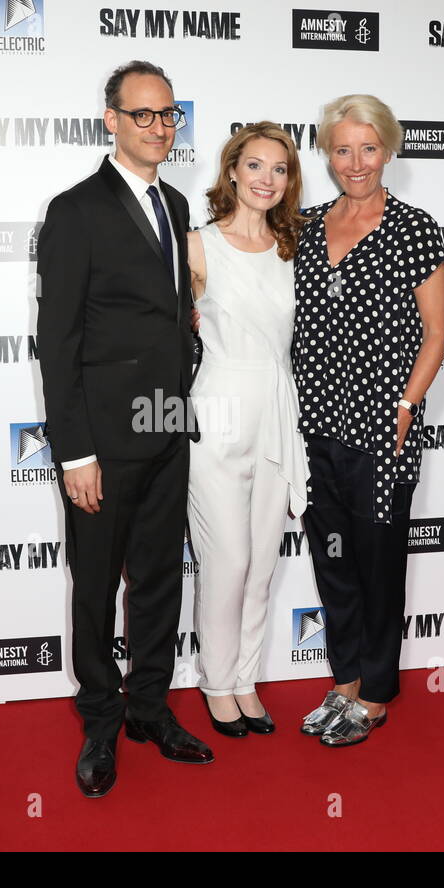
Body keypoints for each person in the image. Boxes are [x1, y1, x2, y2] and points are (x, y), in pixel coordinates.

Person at [36, 60, 214, 798]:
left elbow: (174, 315)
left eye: (168, 114)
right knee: (96, 588)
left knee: (160, 581)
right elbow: (59, 339)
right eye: (143, 114)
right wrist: (74, 449)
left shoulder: (176, 204)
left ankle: (150, 708)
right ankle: (100, 724)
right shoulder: (75, 210)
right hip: (101, 444)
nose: (159, 126)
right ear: (110, 119)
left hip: (168, 427)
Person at [292, 94, 444, 747]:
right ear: (326, 153)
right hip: (310, 425)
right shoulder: (300, 225)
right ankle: (346, 678)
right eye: (341, 148)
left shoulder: (415, 228)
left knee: (378, 562)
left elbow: (437, 333)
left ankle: (376, 691)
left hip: (383, 430)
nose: (355, 162)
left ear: (388, 150)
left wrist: (408, 406)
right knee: (333, 561)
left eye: (367, 147)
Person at [184, 123, 310, 738]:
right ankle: (216, 682)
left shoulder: (295, 247)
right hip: (219, 409)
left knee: (262, 563)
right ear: (232, 170)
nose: (266, 179)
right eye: (254, 165)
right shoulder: (198, 245)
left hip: (278, 412)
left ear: (289, 181)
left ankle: (246, 679)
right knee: (226, 560)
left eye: (279, 169)